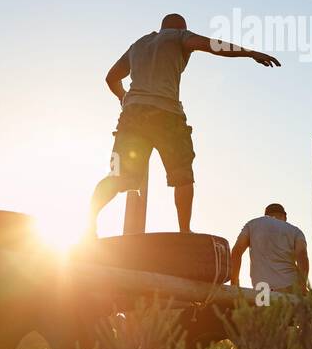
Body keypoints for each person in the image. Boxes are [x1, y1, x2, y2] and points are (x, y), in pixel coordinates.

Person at [87, 13, 280, 235]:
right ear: (181, 27)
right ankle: (185, 232)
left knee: (119, 176)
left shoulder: (138, 44)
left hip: (132, 116)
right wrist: (249, 53)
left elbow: (111, 77)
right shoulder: (179, 36)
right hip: (166, 114)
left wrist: (124, 98)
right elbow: (211, 45)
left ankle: (90, 221)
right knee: (183, 175)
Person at [229, 203, 309, 296]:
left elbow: (236, 252)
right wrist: (302, 285)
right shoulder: (295, 231)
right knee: (292, 310)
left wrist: (234, 284)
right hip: (290, 287)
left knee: (263, 310)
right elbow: (302, 255)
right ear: (284, 217)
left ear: (266, 215)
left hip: (262, 290)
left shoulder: (252, 225)